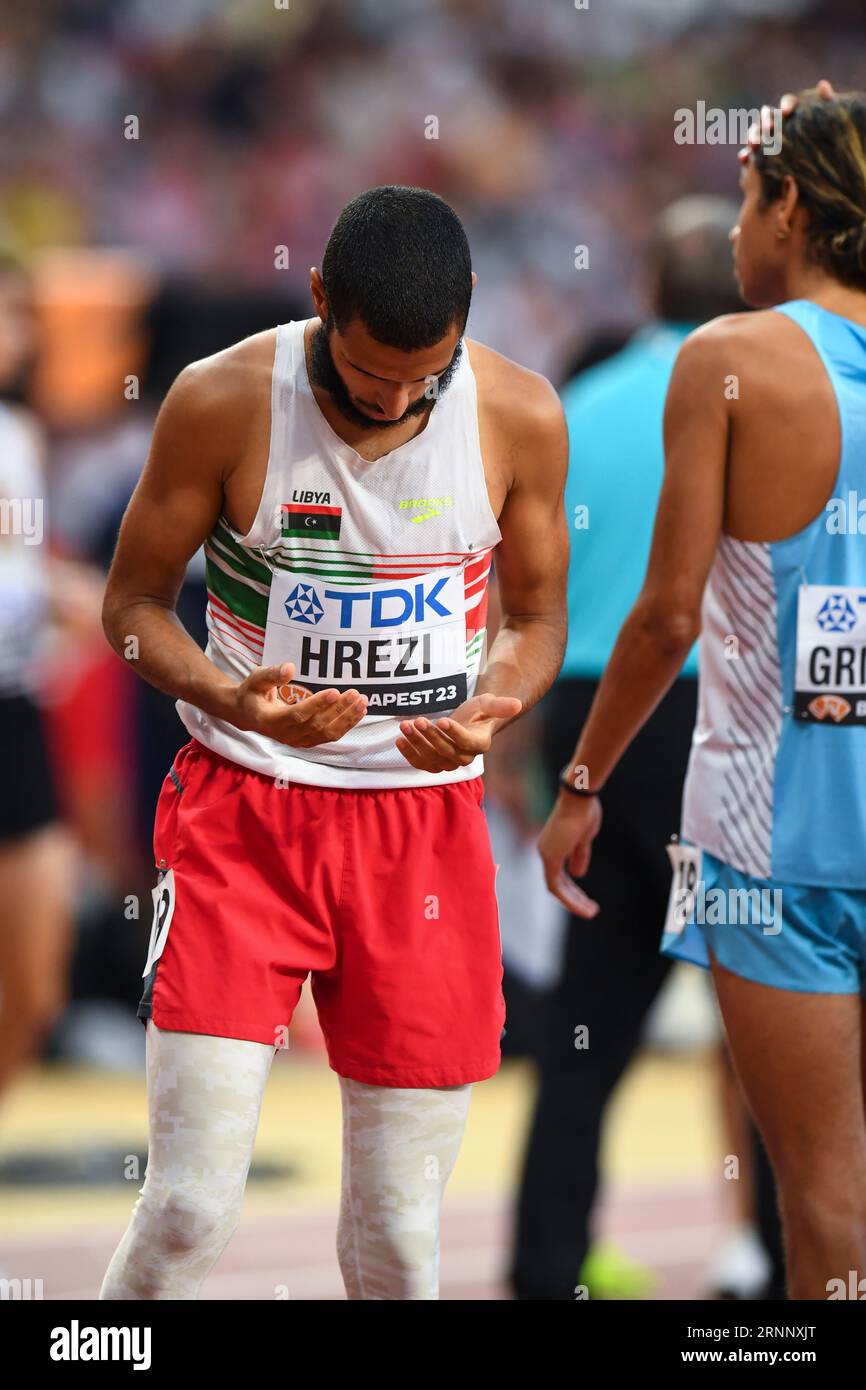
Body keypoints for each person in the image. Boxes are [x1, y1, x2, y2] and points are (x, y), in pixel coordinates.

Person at [99, 185, 568, 1301]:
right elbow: (131, 606)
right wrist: (233, 693)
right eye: (368, 377)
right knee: (187, 1210)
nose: (397, 401)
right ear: (319, 301)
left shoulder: (516, 413)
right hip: (245, 809)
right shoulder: (221, 399)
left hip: (424, 828)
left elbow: (537, 622)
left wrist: (492, 701)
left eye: (424, 375)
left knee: (403, 1240)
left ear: (465, 319)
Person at [538, 84, 866, 1300]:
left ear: (788, 205)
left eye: (741, 196)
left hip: (769, 844)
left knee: (825, 1216)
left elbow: (666, 613)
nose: (733, 229)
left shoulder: (726, 358)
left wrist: (580, 781)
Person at [510, 200, 749, 1301]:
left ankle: (541, 1265)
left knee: (582, 1033)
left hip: (584, 732)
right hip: (710, 722)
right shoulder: (763, 398)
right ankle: (791, 1272)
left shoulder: (569, 406)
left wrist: (541, 766)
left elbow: (523, 594)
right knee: (769, 1012)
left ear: (648, 289)